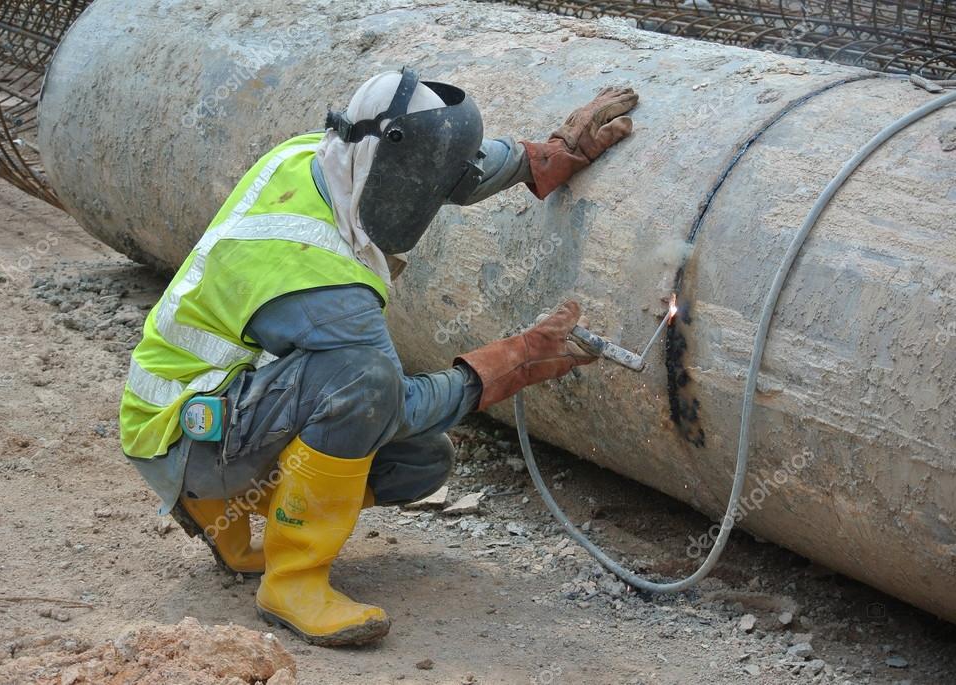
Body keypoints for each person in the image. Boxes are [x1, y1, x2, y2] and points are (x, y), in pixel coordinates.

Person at [119, 67, 638, 646]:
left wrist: (544, 157)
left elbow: (442, 169)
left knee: (417, 463)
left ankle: (221, 509)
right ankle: (292, 580)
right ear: (387, 171)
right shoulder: (315, 281)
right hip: (181, 433)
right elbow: (386, 400)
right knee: (364, 388)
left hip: (212, 400)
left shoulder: (321, 157)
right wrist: (518, 358)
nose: (429, 196)